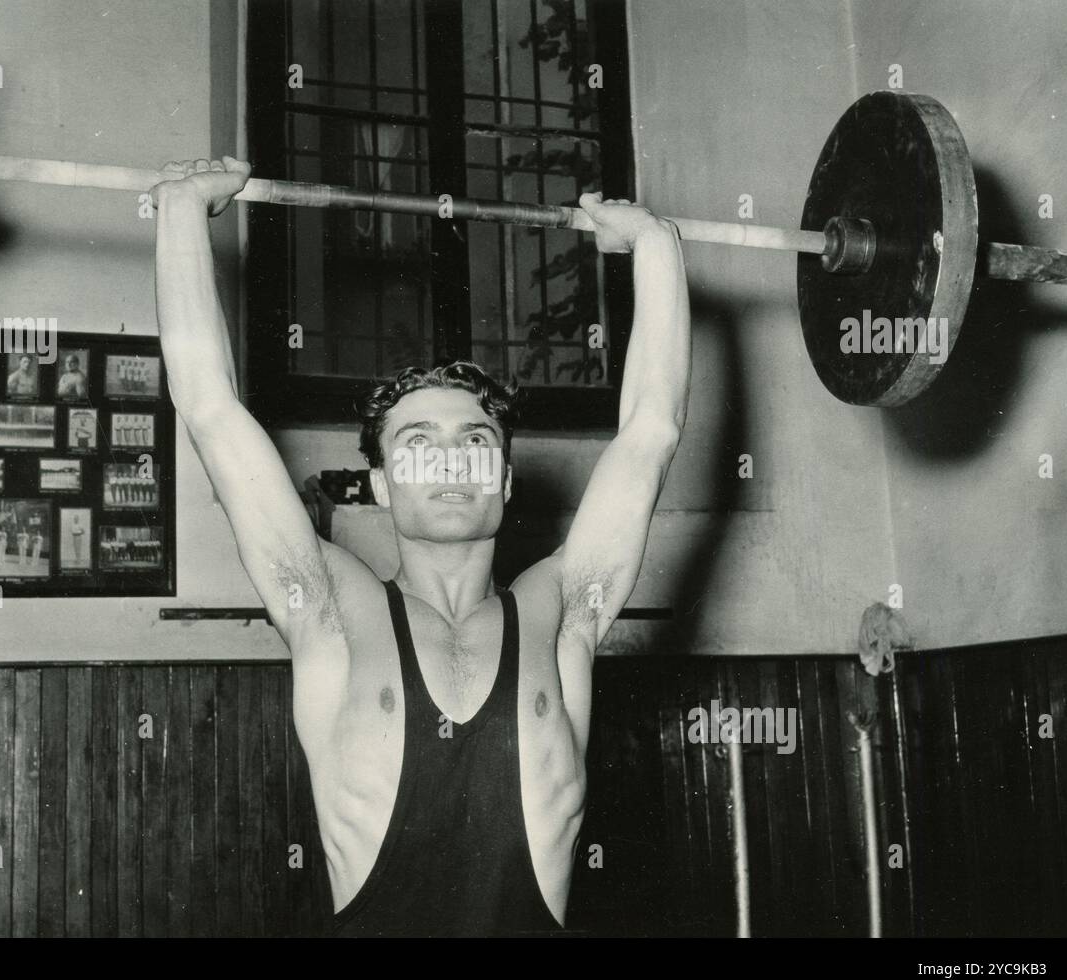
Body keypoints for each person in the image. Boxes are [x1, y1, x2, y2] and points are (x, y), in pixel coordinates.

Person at [152, 157, 691, 937]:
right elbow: (208, 407)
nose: (446, 460)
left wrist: (655, 246)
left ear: (503, 481)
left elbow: (652, 431)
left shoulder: (562, 612)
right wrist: (179, 212)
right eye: (417, 441)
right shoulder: (331, 609)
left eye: (473, 440)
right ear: (378, 483)